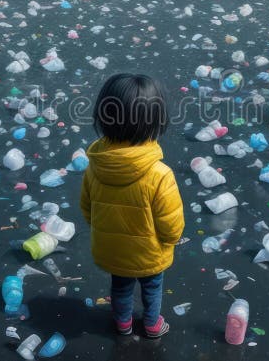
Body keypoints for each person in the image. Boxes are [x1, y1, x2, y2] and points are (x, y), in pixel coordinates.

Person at [80, 73, 184, 338]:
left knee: (120, 286)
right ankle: (152, 325)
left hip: (113, 251)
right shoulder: (160, 174)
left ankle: (123, 323)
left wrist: (104, 232)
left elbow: (88, 209)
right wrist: (170, 241)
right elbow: (171, 224)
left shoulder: (95, 167)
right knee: (152, 287)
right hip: (150, 253)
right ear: (156, 120)